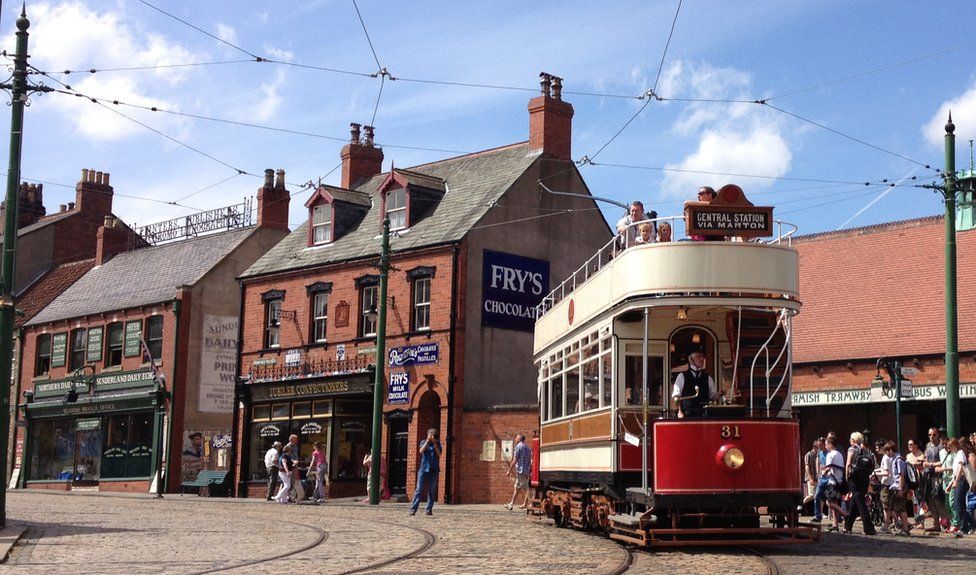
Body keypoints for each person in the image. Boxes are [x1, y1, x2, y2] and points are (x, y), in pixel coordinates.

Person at [843, 432, 876, 535]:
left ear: (853, 440)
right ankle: (848, 526)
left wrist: (846, 478)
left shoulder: (852, 448)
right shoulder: (866, 450)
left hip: (855, 478)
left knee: (861, 504)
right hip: (864, 479)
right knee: (854, 503)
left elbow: (848, 464)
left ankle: (869, 528)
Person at [670, 348, 718, 419]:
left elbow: (713, 396)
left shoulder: (708, 378)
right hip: (687, 415)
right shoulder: (682, 376)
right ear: (691, 359)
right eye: (699, 356)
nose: (702, 359)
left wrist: (720, 394)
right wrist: (680, 411)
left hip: (704, 415)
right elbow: (676, 396)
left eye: (703, 357)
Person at [920, 427, 948, 533]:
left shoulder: (941, 447)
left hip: (937, 475)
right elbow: (926, 458)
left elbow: (943, 461)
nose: (931, 437)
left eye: (934, 435)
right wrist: (923, 461)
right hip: (928, 475)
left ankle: (946, 522)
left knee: (938, 498)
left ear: (938, 435)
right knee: (930, 500)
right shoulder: (928, 446)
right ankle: (936, 523)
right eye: (930, 435)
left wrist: (930, 464)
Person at [409, 428, 442, 516]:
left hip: (433, 469)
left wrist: (435, 444)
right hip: (424, 469)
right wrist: (428, 440)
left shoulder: (438, 443)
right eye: (432, 434)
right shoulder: (423, 441)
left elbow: (439, 454)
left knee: (431, 490)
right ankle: (413, 509)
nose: (433, 436)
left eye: (434, 434)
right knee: (419, 489)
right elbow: (421, 451)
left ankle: (428, 509)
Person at [948, 437, 976, 534]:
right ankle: (970, 525)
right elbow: (955, 471)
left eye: (950, 446)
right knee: (959, 505)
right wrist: (952, 483)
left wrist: (956, 481)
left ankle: (966, 527)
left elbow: (960, 468)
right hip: (959, 480)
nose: (949, 449)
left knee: (958, 504)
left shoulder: (960, 454)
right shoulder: (958, 454)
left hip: (962, 481)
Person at [820, 436, 847, 531]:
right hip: (839, 481)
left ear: (831, 444)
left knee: (829, 502)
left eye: (826, 444)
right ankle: (835, 524)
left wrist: (823, 472)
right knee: (835, 502)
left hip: (832, 482)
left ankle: (846, 515)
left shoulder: (830, 455)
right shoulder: (839, 454)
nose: (826, 446)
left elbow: (828, 468)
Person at [885, 441, 911, 536]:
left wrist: (900, 488)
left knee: (900, 508)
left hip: (899, 487)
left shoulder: (898, 460)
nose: (887, 454)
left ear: (891, 450)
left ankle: (905, 528)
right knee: (896, 508)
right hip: (895, 486)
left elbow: (901, 475)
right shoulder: (895, 459)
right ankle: (904, 527)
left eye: (887, 451)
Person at [505, 434, 533, 511]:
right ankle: (511, 504)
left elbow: (515, 459)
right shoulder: (527, 448)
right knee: (517, 488)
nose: (515, 439)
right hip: (526, 470)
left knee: (526, 488)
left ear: (519, 439)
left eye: (516, 438)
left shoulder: (518, 447)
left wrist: (509, 470)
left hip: (521, 470)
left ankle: (531, 504)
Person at [287, 434, 305, 502]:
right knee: (290, 482)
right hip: (291, 466)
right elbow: (287, 457)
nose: (297, 441)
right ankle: (288, 496)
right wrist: (293, 462)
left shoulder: (295, 446)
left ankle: (291, 496)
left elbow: (296, 455)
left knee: (293, 481)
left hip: (295, 465)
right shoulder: (288, 447)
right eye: (296, 439)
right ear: (291, 439)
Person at [803, 439, 821, 505]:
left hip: (817, 478)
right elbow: (807, 467)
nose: (819, 448)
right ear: (814, 447)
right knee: (812, 495)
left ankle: (819, 511)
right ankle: (801, 503)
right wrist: (810, 478)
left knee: (818, 495)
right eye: (818, 447)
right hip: (811, 477)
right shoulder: (809, 455)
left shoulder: (818, 455)